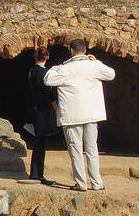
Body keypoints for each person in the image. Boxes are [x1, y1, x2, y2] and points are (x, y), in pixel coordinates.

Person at [42, 40, 115, 192]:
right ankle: (97, 183)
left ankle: (81, 184)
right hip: (91, 114)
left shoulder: (65, 69)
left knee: (75, 150)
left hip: (72, 115)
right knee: (92, 149)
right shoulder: (93, 66)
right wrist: (97, 62)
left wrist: (57, 66)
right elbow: (111, 74)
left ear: (71, 51)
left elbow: (47, 79)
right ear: (85, 50)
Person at [21, 46, 57, 185]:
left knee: (39, 143)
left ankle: (36, 173)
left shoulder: (32, 71)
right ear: (47, 57)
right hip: (43, 111)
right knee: (40, 144)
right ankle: (37, 174)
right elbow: (49, 94)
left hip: (34, 110)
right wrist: (56, 110)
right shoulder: (45, 73)